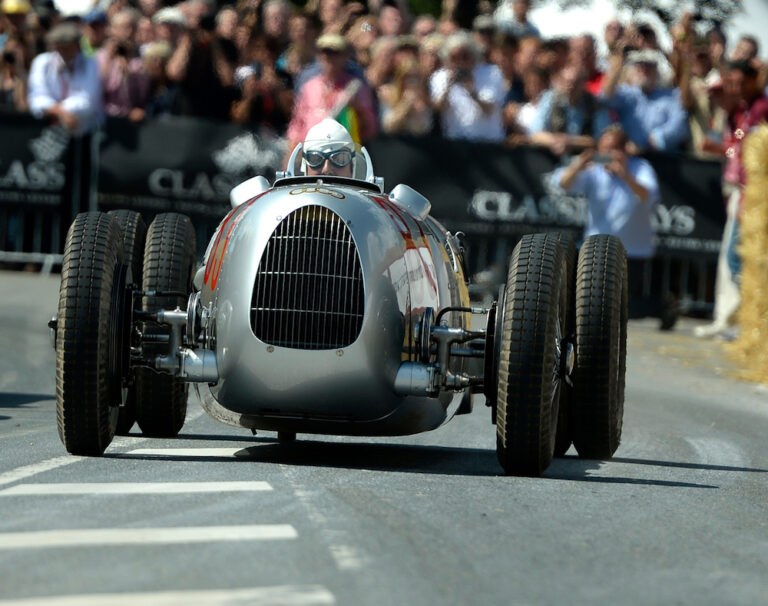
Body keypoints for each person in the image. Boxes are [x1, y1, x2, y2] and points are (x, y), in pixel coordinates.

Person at [550, 124, 673, 328]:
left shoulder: (640, 168)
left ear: (625, 149)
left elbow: (647, 195)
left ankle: (662, 306)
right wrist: (578, 165)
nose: (609, 153)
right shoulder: (594, 171)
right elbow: (563, 184)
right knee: (588, 300)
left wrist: (624, 174)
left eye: (614, 148)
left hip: (632, 250)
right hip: (595, 247)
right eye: (605, 148)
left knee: (623, 308)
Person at [601, 48, 688, 153]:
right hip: (629, 157)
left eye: (648, 66)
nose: (643, 70)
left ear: (656, 69)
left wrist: (654, 140)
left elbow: (679, 126)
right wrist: (617, 67)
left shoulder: (672, 95)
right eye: (639, 65)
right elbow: (605, 98)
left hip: (664, 159)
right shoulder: (626, 93)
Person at [429, 30, 505, 141]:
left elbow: (489, 109)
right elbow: (437, 109)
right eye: (454, 58)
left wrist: (472, 92)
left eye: (465, 57)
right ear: (447, 60)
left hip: (488, 143)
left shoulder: (492, 73)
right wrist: (448, 87)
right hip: (456, 143)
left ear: (474, 56)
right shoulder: (440, 77)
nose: (460, 62)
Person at [27, 22, 102, 134]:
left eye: (67, 47)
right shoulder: (42, 62)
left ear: (77, 46)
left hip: (82, 131)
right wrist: (60, 112)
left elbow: (88, 101)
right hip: (46, 131)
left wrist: (62, 111)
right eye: (59, 47)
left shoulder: (90, 64)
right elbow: (36, 97)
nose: (62, 52)